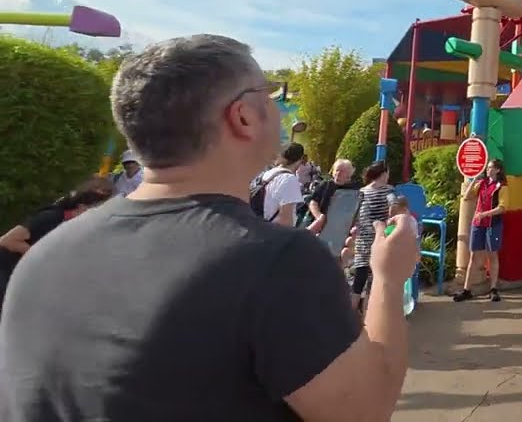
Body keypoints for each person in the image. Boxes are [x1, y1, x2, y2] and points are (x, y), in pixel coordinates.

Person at [0, 34, 421, 421]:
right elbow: (364, 411)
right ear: (242, 116)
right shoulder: (275, 261)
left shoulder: (46, 254)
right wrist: (387, 278)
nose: (277, 107)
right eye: (269, 96)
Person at [0, 181, 112, 318]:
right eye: (95, 211)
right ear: (82, 207)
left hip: (23, 279)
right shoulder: (51, 217)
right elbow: (7, 240)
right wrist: (41, 254)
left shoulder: (74, 227)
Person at [454, 159, 508, 303]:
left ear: (497, 170)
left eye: (490, 168)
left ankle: (493, 289)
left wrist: (485, 214)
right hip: (478, 224)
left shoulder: (501, 187)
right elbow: (466, 196)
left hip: (493, 224)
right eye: (487, 168)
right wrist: (474, 179)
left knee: (492, 255)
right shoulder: (482, 183)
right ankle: (467, 290)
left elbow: (502, 208)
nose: (488, 170)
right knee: (473, 256)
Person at [352, 161, 394, 311]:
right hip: (379, 239)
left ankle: (350, 315)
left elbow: (357, 215)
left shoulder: (362, 192)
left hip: (362, 240)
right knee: (374, 279)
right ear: (383, 174)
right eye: (387, 173)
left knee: (359, 277)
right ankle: (368, 316)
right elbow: (393, 209)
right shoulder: (388, 191)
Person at [258, 142, 307, 226]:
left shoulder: (267, 174)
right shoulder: (289, 179)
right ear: (299, 160)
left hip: (260, 226)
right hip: (274, 233)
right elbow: (285, 219)